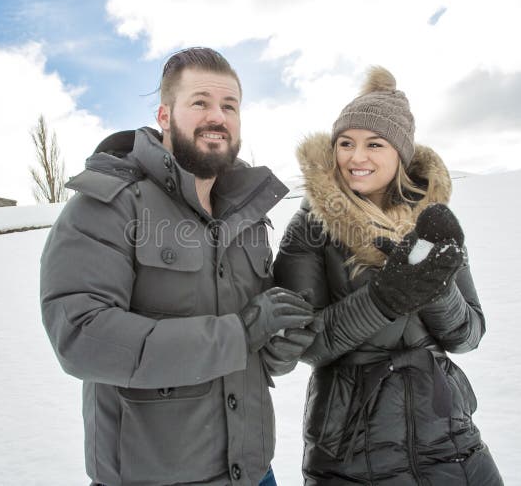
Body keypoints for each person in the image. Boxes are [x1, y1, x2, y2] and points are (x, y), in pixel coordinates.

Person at [40, 47, 317, 486]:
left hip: (254, 473)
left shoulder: (247, 216)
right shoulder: (108, 204)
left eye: (229, 106)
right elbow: (79, 335)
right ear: (165, 115)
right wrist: (240, 332)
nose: (217, 116)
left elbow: (253, 353)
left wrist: (278, 344)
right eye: (200, 102)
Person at [274, 66, 503, 485]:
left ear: (400, 152)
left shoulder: (431, 221)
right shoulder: (311, 225)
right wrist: (384, 298)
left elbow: (468, 335)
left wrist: (433, 285)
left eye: (374, 144)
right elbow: (302, 344)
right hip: (351, 452)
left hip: (452, 441)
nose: (356, 157)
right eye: (346, 143)